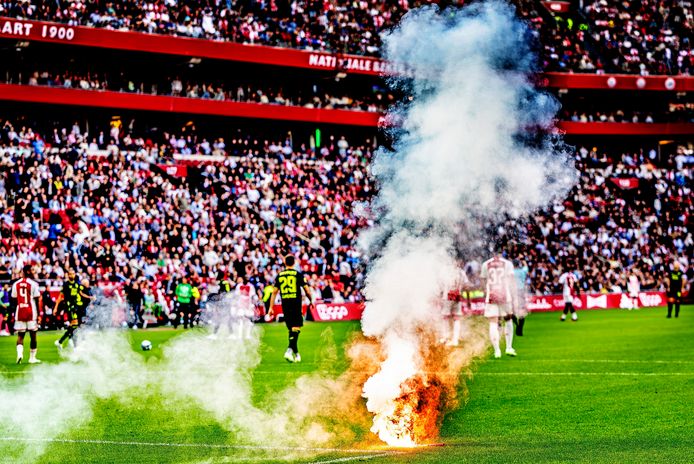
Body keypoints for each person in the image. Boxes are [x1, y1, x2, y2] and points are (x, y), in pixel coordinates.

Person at [268, 255, 314, 363]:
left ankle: (297, 354)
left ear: (285, 263)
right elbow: (307, 290)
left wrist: (271, 308)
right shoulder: (298, 274)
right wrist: (311, 300)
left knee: (292, 330)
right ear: (294, 263)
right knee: (296, 328)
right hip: (295, 304)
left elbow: (274, 292)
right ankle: (288, 351)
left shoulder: (279, 275)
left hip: (285, 304)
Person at [480, 253, 516, 358]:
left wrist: (486, 293)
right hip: (505, 295)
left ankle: (497, 351)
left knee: (493, 323)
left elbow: (483, 281)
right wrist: (514, 297)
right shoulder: (507, 263)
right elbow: (511, 280)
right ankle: (509, 347)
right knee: (508, 320)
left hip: (491, 295)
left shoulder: (486, 264)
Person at [12, 265, 42, 364]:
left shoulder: (16, 284)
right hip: (31, 312)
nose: (34, 271)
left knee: (20, 336)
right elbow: (37, 299)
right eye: (32, 270)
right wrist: (39, 314)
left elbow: (14, 298)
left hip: (20, 310)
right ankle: (32, 358)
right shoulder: (33, 284)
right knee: (33, 336)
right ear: (28, 272)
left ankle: (19, 354)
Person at [54, 269, 84, 349]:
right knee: (75, 325)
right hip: (69, 307)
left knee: (74, 326)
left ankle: (62, 341)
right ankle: (74, 345)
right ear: (68, 275)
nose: (72, 275)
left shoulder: (77, 284)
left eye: (73, 274)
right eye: (70, 274)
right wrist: (56, 307)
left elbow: (80, 294)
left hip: (76, 307)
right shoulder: (66, 285)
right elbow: (60, 297)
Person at [441, 266, 468, 346]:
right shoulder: (461, 272)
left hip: (447, 296)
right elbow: (466, 285)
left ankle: (446, 337)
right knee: (457, 318)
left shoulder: (446, 270)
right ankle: (455, 340)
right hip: (457, 296)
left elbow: (441, 284)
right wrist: (461, 290)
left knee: (446, 317)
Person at [512, 259, 529, 336]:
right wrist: (523, 260)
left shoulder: (510, 272)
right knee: (522, 312)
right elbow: (526, 267)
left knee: (511, 311)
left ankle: (516, 324)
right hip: (521, 292)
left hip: (512, 291)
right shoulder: (522, 271)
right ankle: (520, 329)